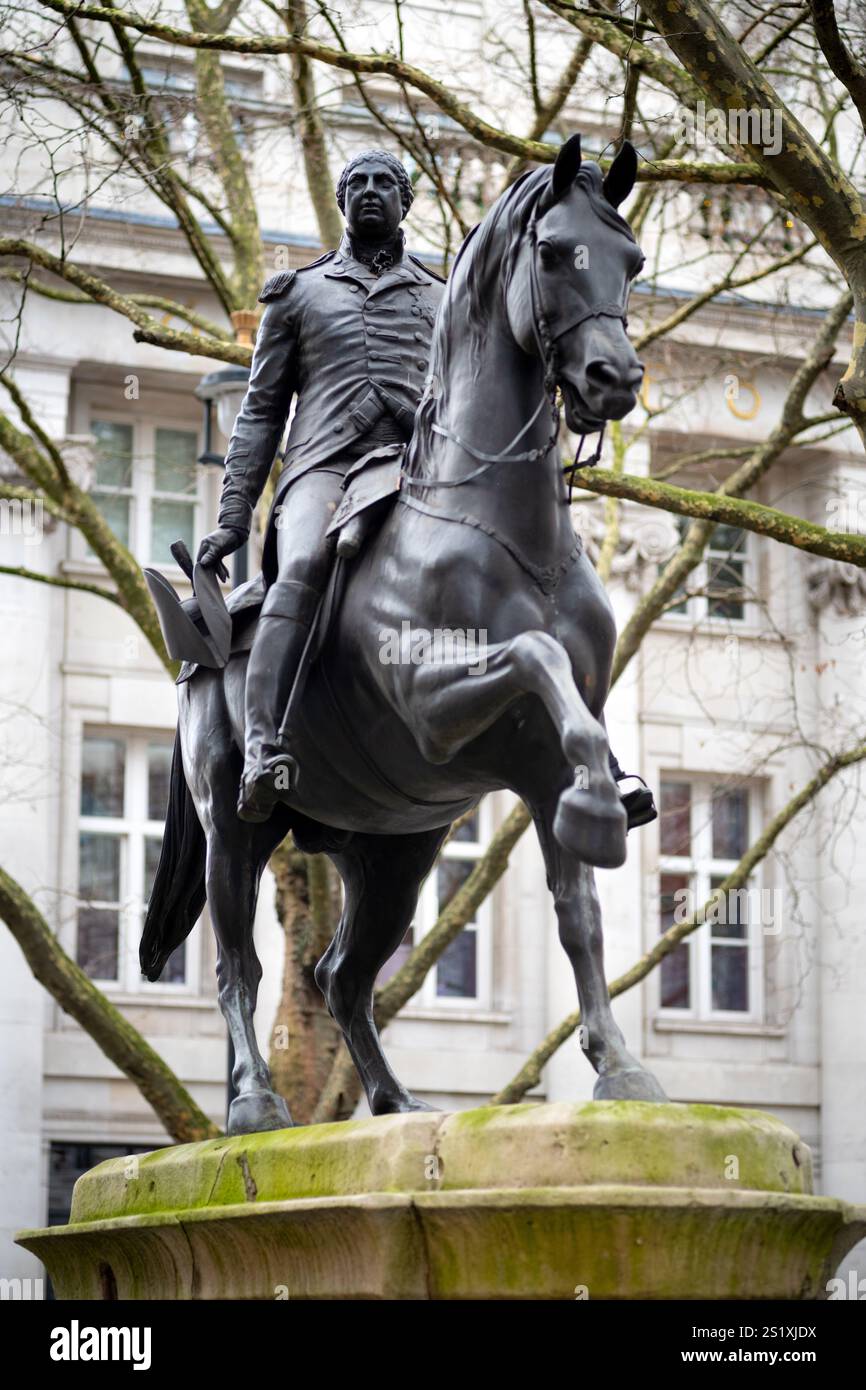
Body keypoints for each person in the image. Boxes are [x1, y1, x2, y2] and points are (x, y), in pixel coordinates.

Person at [197, 148, 656, 831]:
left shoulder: (444, 294)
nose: (373, 193)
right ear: (343, 198)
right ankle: (265, 744)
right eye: (359, 183)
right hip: (324, 470)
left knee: (548, 570)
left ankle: (598, 753)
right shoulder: (298, 294)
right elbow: (261, 410)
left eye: (387, 183)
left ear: (407, 202)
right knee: (301, 566)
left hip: (417, 463)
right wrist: (234, 517)